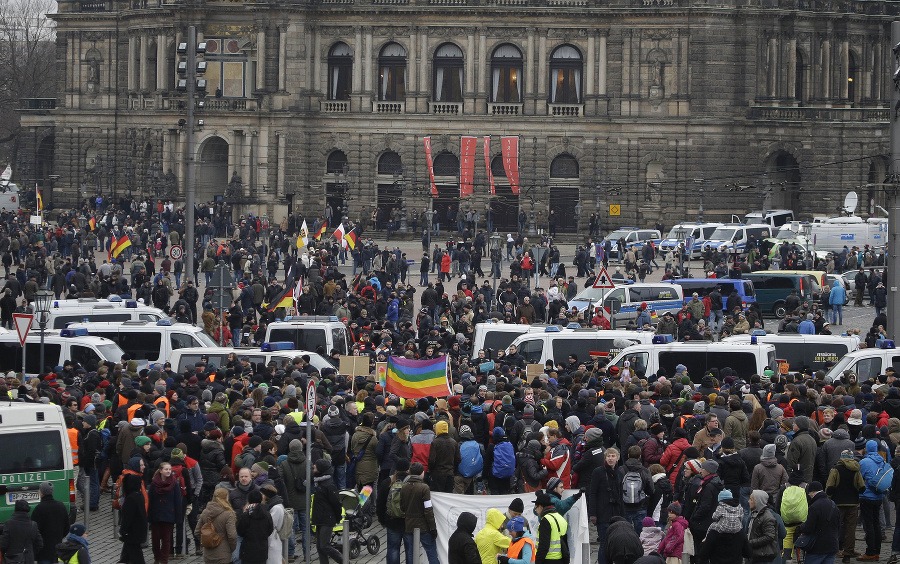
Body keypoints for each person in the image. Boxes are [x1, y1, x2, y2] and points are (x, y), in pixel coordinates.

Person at [825, 449, 864, 560]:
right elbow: (862, 487)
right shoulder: (856, 470)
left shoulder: (836, 469)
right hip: (853, 503)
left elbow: (829, 488)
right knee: (850, 529)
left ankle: (834, 549)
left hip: (838, 503)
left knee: (835, 527)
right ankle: (848, 553)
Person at [589, 448, 625, 564]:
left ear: (617, 458)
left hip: (616, 513)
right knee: (604, 543)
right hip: (603, 513)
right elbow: (593, 493)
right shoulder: (598, 472)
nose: (610, 458)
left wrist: (622, 514)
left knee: (615, 543)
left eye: (613, 456)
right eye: (608, 456)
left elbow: (621, 495)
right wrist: (593, 513)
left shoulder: (620, 473)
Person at [400, 461, 439, 564]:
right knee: (431, 553)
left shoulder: (404, 487)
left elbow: (402, 507)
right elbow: (428, 509)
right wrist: (433, 527)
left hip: (408, 525)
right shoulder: (424, 488)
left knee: (410, 553)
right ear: (422, 473)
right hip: (423, 526)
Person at [377, 458, 413, 564]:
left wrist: (382, 520)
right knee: (410, 550)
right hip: (409, 522)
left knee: (393, 549)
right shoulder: (413, 483)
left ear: (396, 469)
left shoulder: (387, 482)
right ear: (408, 469)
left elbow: (380, 503)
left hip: (392, 521)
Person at [796, 481, 840, 564]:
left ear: (812, 492)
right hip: (832, 545)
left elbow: (809, 528)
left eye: (809, 494)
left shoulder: (814, 507)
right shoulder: (833, 505)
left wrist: (800, 528)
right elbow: (838, 525)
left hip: (817, 547)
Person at [148, 461, 183, 564]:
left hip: (168, 515)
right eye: (166, 469)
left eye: (169, 469)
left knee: (166, 540)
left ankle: (164, 560)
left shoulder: (174, 483)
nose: (168, 471)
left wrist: (178, 517)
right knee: (155, 540)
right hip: (156, 515)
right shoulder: (154, 484)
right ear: (160, 470)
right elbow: (150, 500)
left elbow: (177, 501)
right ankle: (157, 558)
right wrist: (149, 515)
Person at [310, 458, 344, 564]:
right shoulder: (319, 483)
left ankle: (344, 561)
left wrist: (337, 517)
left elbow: (336, 503)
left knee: (324, 545)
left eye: (315, 468)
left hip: (327, 519)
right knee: (320, 547)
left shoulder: (328, 485)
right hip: (320, 518)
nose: (313, 469)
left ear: (321, 469)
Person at [858, 440, 887, 561]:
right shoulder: (882, 461)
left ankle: (870, 552)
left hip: (866, 496)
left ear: (867, 448)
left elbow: (859, 478)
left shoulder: (864, 462)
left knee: (868, 524)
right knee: (876, 523)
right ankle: (877, 551)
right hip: (879, 496)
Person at [195, 487, 239, 564]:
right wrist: (231, 548)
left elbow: (197, 532)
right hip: (223, 554)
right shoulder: (229, 514)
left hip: (208, 554)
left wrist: (206, 541)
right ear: (226, 498)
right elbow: (232, 536)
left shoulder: (205, 512)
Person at [30, 481, 70, 564]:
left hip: (43, 551)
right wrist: (59, 536)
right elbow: (67, 526)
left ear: (41, 493)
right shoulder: (61, 506)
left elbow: (34, 530)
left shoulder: (39, 508)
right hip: (57, 548)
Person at [236, 489, 274, 564]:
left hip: (248, 550)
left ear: (249, 500)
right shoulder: (267, 514)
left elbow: (240, 531)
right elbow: (270, 530)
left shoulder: (246, 514)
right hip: (262, 550)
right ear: (261, 499)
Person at [0, 499, 43, 564]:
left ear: (15, 509)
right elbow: (39, 544)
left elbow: (3, 544)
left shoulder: (8, 524)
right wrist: (30, 553)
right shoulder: (33, 525)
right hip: (28, 559)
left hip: (12, 559)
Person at [119, 473, 148, 564]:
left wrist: (123, 530)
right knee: (127, 555)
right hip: (139, 530)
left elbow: (127, 517)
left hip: (132, 533)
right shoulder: (139, 495)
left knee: (136, 556)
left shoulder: (131, 498)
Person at [534, 490, 570, 564]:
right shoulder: (560, 518)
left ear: (540, 506)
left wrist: (538, 562)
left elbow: (543, 546)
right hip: (561, 559)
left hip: (548, 559)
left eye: (536, 507)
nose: (536, 510)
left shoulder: (546, 520)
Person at [747, 490, 780, 564]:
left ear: (757, 501)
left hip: (762, 556)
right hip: (755, 555)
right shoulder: (754, 514)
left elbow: (769, 536)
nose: (748, 501)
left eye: (751, 499)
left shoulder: (767, 517)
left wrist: (750, 542)